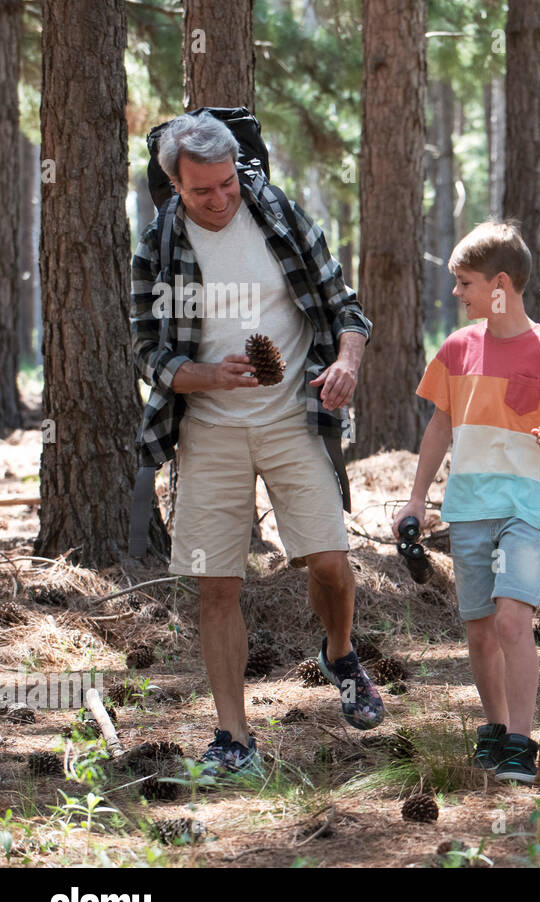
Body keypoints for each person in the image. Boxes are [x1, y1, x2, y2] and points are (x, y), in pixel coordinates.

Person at [129, 112, 382, 775]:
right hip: (209, 428)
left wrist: (347, 362)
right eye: (201, 191)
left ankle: (339, 650)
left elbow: (346, 307)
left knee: (329, 559)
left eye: (227, 185)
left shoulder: (275, 210)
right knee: (216, 585)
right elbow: (148, 352)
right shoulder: (158, 246)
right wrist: (207, 375)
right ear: (174, 185)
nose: (220, 200)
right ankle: (234, 738)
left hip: (295, 415)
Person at [394, 221, 540, 782]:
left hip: (525, 510)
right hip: (467, 509)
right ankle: (493, 726)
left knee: (512, 622)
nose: (457, 293)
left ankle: (520, 743)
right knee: (480, 627)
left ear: (500, 284)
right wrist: (416, 497)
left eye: (465, 282)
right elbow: (440, 425)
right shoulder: (457, 350)